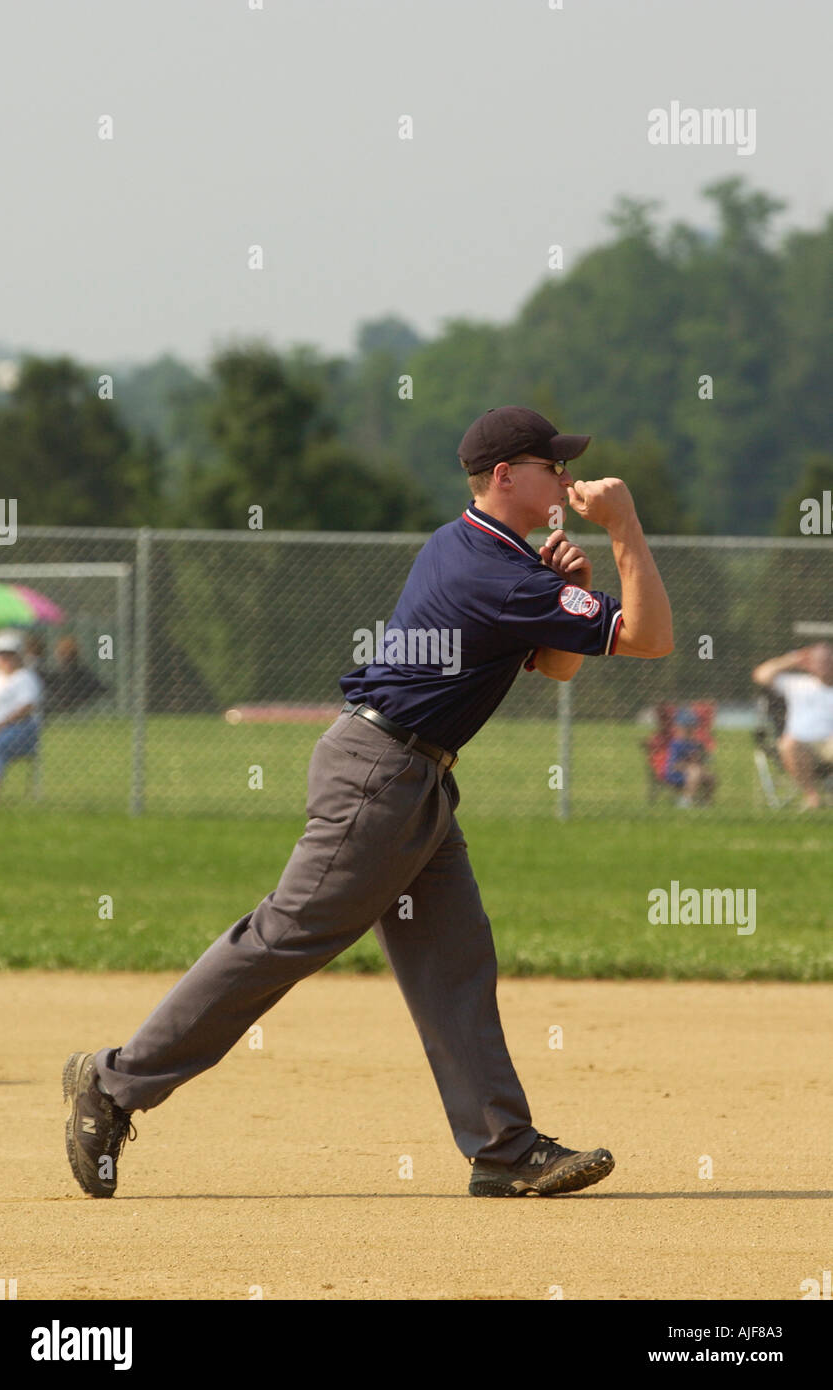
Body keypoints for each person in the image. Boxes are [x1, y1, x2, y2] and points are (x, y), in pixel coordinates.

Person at [63, 405, 673, 1200]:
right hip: (380, 779)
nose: (565, 476)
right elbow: (653, 639)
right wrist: (625, 527)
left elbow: (555, 669)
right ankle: (113, 1084)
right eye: (550, 464)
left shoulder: (478, 550)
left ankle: (504, 1149)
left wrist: (570, 591)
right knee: (282, 938)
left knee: (453, 962)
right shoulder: (493, 570)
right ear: (504, 478)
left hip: (410, 779)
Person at [752, 643, 833, 810]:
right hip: (802, 745)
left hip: (830, 743)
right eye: (820, 661)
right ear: (810, 664)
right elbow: (761, 675)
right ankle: (812, 797)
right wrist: (794, 659)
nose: (825, 665)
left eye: (829, 660)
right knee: (788, 744)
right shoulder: (796, 683)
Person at [0, 629, 43, 808]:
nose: (5, 659)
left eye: (9, 655)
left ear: (18, 656)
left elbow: (27, 707)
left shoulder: (25, 678)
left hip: (20, 730)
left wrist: (1, 724)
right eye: (1, 655)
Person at [663, 708, 717, 807]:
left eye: (692, 727)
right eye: (687, 728)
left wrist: (702, 761)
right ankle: (685, 801)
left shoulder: (695, 743)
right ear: (680, 728)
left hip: (694, 771)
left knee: (710, 777)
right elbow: (673, 765)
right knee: (694, 771)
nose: (690, 730)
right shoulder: (676, 744)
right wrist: (689, 766)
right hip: (676, 773)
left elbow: (700, 760)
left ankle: (706, 803)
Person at [45, 636, 107, 713]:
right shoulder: (53, 676)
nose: (66, 656)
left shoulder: (85, 676)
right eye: (62, 653)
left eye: (70, 653)